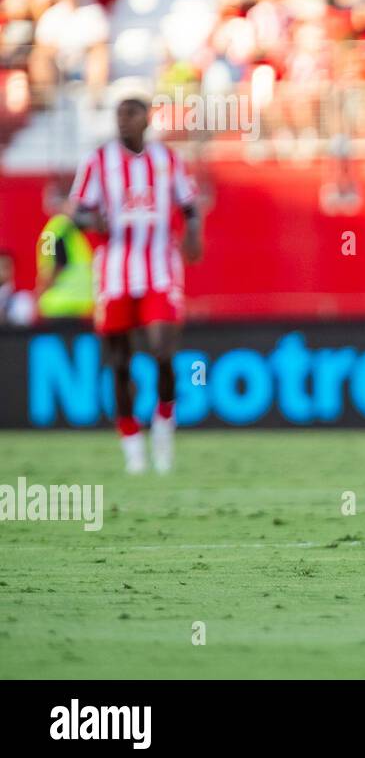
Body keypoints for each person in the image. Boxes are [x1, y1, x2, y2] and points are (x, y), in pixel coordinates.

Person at [70, 93, 204, 474]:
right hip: (114, 271)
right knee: (119, 364)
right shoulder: (99, 161)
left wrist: (194, 232)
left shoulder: (168, 161)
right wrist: (90, 221)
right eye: (119, 114)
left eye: (131, 114)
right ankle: (131, 442)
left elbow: (190, 205)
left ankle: (163, 423)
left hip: (160, 267)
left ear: (147, 119)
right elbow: (77, 210)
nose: (123, 121)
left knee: (163, 351)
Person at [35, 180, 95, 320]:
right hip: (82, 304)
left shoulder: (51, 231)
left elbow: (50, 269)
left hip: (59, 305)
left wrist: (38, 296)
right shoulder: (72, 231)